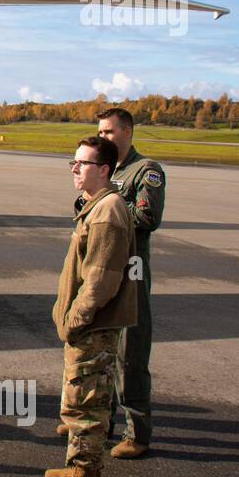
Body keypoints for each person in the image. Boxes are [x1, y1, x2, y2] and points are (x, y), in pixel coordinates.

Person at [32, 135, 137, 477]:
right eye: (73, 163)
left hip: (92, 327)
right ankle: (78, 467)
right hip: (86, 327)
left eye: (83, 163)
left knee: (86, 405)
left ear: (104, 170)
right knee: (80, 400)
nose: (75, 169)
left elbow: (102, 279)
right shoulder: (96, 206)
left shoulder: (108, 210)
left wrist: (75, 320)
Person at [95, 107, 164, 458]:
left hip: (132, 268)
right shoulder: (106, 170)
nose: (103, 138)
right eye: (100, 132)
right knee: (103, 348)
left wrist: (107, 207)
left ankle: (136, 432)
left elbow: (147, 218)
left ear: (127, 132)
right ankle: (101, 423)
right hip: (104, 267)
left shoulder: (146, 170)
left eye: (109, 132)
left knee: (131, 352)